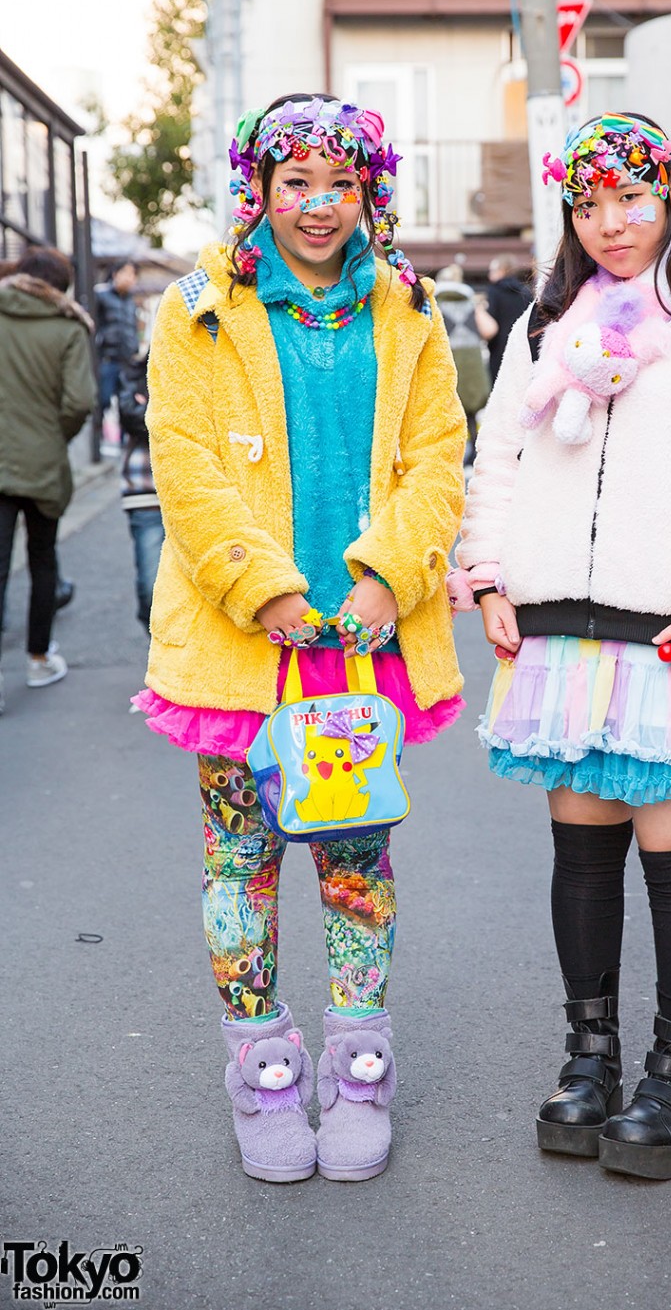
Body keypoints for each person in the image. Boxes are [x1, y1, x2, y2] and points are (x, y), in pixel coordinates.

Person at [452, 112, 671, 1181]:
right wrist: (485, 574)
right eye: (588, 202)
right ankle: (590, 1062)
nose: (610, 223)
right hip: (559, 626)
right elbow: (498, 463)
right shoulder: (541, 326)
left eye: (631, 199)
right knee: (581, 849)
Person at [134, 92, 466, 1184]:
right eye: (295, 185)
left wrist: (384, 581)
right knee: (242, 858)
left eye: (340, 184)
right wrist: (262, 591)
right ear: (259, 191)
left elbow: (435, 463)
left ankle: (359, 1070)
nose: (319, 207)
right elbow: (183, 469)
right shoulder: (196, 313)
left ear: (370, 189)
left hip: (359, 646)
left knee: (356, 868)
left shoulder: (409, 316)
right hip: (242, 649)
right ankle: (264, 1074)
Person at [0, 246, 95, 711]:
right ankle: (38, 658)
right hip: (42, 462)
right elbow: (79, 401)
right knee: (42, 560)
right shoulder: (68, 326)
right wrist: (53, 435)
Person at [117, 350, 163, 631]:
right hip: (145, 489)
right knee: (149, 587)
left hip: (194, 492)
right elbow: (130, 415)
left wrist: (151, 408)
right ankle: (157, 644)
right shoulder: (136, 370)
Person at [434, 263, 489, 465]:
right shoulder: (470, 302)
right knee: (472, 413)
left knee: (447, 413)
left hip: (446, 363)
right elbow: (489, 329)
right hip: (472, 364)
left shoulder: (434, 303)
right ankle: (475, 452)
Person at [474, 252, 533, 387]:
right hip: (522, 349)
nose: (490, 274)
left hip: (499, 351)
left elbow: (491, 325)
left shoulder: (494, 291)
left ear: (502, 270)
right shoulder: (526, 292)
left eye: (492, 270)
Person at [94, 258, 139, 417]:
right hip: (107, 358)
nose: (128, 277)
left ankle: (123, 440)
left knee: (126, 404)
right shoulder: (101, 295)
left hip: (127, 360)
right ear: (115, 274)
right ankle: (97, 437)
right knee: (103, 400)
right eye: (125, 272)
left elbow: (132, 327)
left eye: (132, 274)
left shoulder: (131, 301)